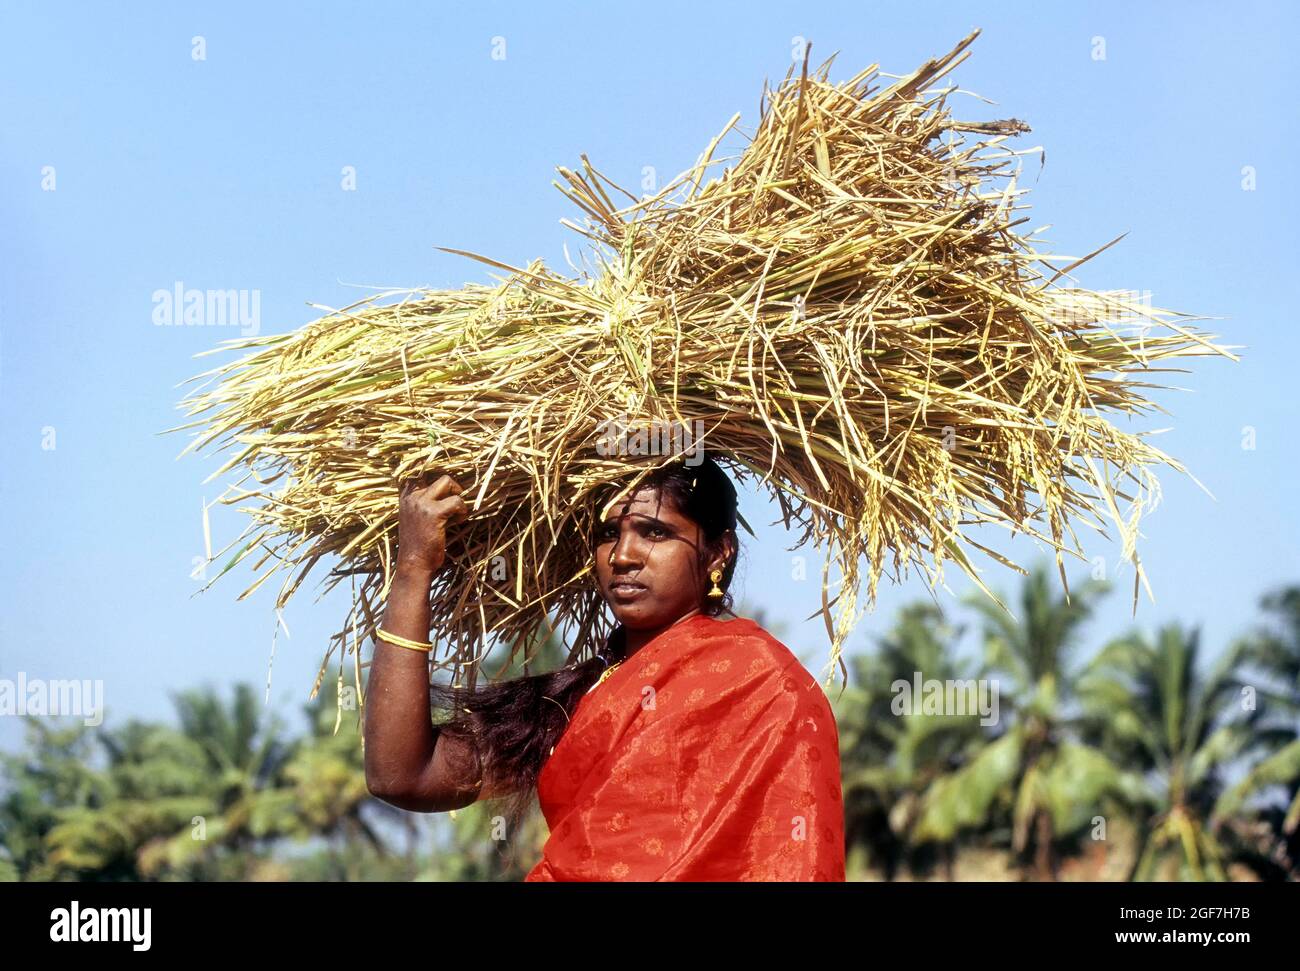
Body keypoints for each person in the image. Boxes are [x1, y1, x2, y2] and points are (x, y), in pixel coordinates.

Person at [363, 454, 846, 881]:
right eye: (608, 534)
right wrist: (413, 570)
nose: (623, 556)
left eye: (655, 532)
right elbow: (403, 776)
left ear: (718, 552)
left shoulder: (762, 681)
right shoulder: (576, 695)